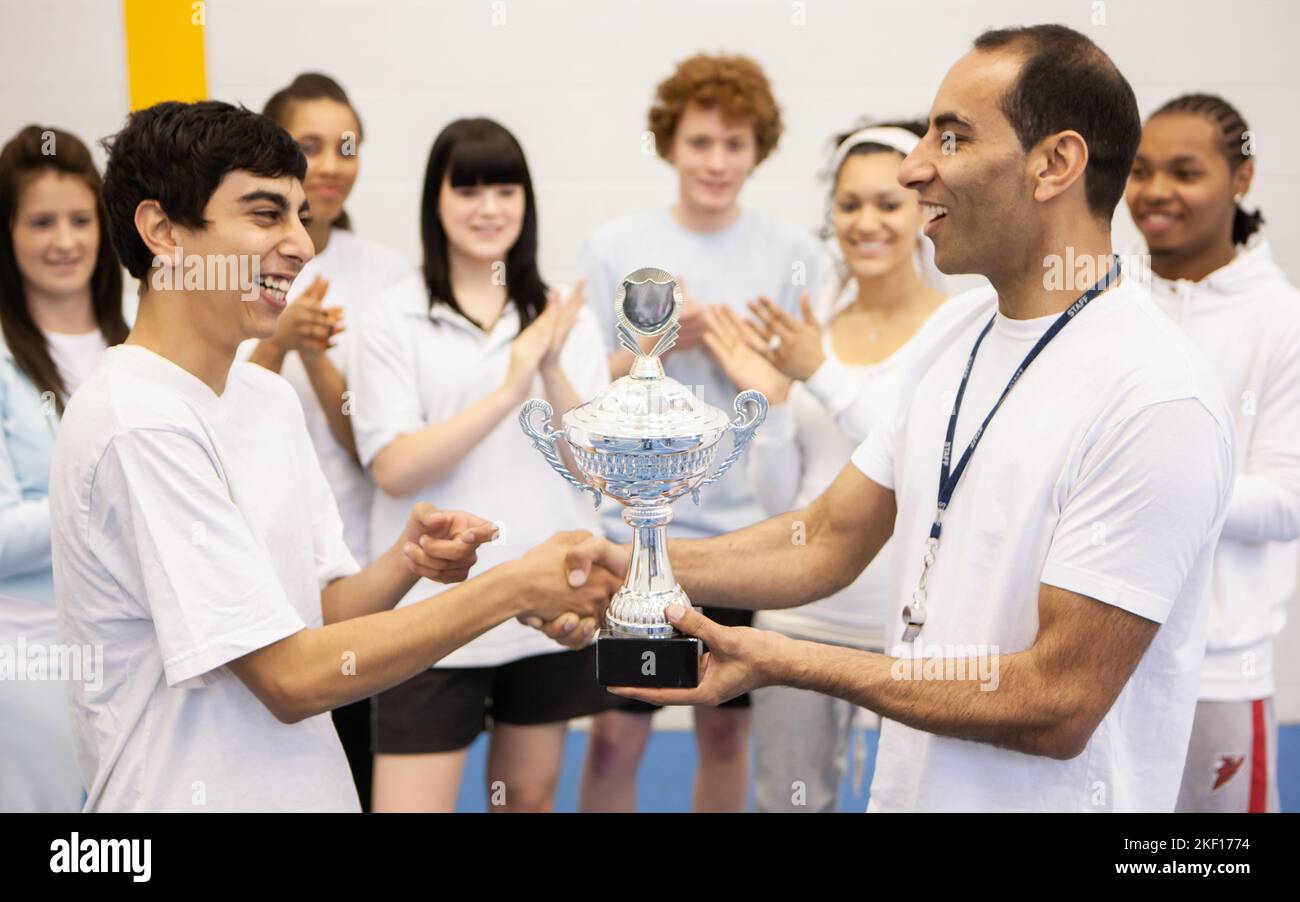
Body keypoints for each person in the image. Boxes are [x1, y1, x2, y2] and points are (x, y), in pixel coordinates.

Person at [545, 24, 1236, 813]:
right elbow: (831, 538)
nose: (915, 168)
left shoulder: (1154, 395)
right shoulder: (955, 334)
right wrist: (632, 557)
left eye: (952, 137)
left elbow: (1057, 702)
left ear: (1055, 164)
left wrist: (792, 659)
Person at [48, 100, 617, 812]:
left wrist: (404, 566)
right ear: (164, 231)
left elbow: (319, 616)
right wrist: (510, 589)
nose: (302, 244)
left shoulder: (265, 396)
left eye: (298, 216)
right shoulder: (138, 420)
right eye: (264, 215)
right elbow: (290, 677)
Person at [575, 51, 829, 813]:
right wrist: (653, 344)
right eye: (700, 143)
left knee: (724, 730)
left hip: (747, 536)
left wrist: (740, 355)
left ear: (758, 150)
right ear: (669, 145)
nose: (717, 163)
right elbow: (586, 389)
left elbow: (803, 390)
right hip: (639, 529)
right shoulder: (616, 245)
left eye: (734, 145)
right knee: (619, 733)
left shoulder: (795, 254)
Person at [351, 117, 613, 813]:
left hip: (547, 604)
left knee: (525, 801)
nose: (488, 207)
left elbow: (591, 471)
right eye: (466, 189)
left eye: (505, 187)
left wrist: (550, 370)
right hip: (426, 616)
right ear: (435, 202)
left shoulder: (564, 318)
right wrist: (508, 387)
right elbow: (395, 468)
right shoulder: (391, 316)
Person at [704, 120, 946, 811]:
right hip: (798, 618)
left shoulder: (954, 331)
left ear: (924, 209)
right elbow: (781, 501)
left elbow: (921, 469)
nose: (865, 222)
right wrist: (774, 404)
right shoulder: (817, 322)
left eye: (887, 202)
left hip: (908, 626)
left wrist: (822, 375)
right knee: (788, 800)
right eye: (849, 205)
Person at [1127, 93, 1300, 813]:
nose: (1156, 192)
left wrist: (1151, 486)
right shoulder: (1106, 302)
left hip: (1219, 671)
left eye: (1185, 171)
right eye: (1140, 171)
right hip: (1099, 662)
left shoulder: (1281, 319)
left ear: (1243, 179)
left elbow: (1285, 503)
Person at [245, 72, 414, 811]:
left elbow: (366, 446)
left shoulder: (385, 276)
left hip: (355, 560)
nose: (333, 162)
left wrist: (314, 354)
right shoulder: (230, 268)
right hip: (253, 558)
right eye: (310, 146)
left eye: (347, 145)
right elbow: (223, 420)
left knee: (352, 756)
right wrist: (277, 341)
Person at [0, 125, 130, 812]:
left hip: (138, 650)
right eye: (40, 221)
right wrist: (97, 491)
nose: (65, 241)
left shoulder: (139, 337)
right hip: (30, 663)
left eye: (81, 219)